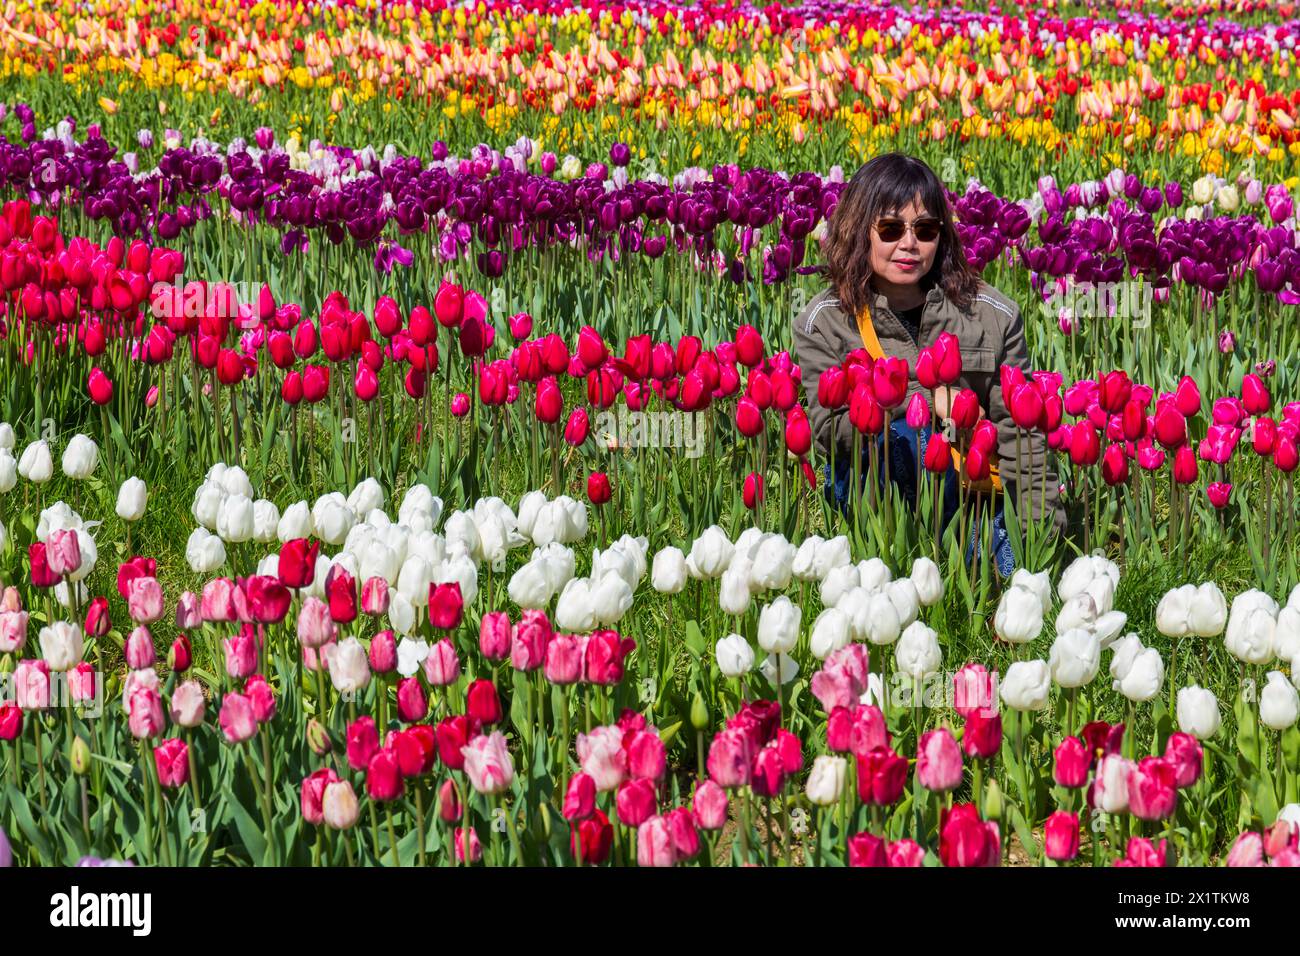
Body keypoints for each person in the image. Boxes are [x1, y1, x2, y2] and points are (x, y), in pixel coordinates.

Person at [792, 152, 1066, 574]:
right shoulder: (826, 321)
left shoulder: (992, 315)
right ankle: (907, 563)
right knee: (908, 437)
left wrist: (1039, 546)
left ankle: (984, 563)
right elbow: (828, 434)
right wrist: (923, 398)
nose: (908, 243)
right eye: (889, 228)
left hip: (974, 492)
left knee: (1016, 569)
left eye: (924, 229)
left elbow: (1022, 436)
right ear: (858, 230)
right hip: (877, 499)